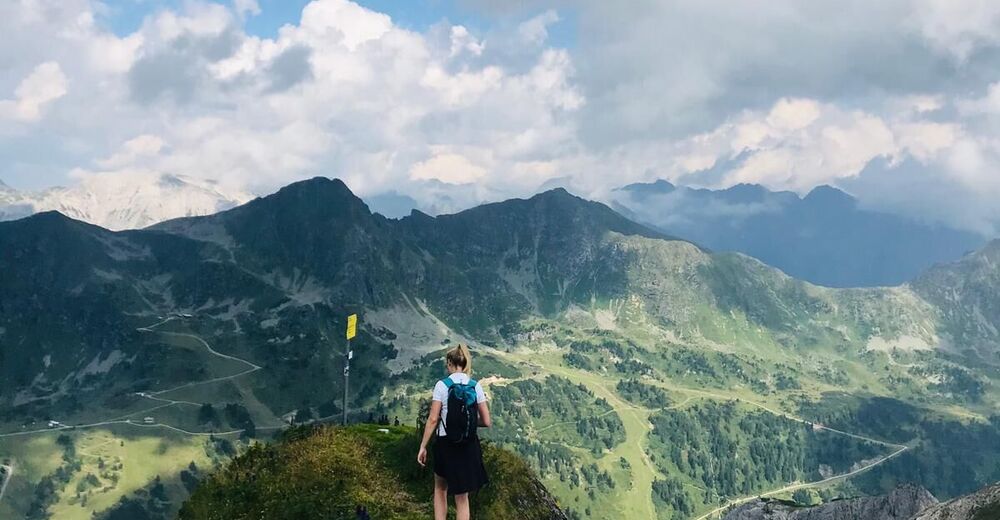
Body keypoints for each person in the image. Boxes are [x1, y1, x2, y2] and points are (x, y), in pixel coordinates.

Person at [417, 344, 492, 520]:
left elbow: (433, 419)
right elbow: (487, 421)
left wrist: (423, 446)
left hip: (445, 443)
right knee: (462, 497)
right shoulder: (475, 386)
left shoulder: (442, 386)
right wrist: (468, 424)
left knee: (440, 487)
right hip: (468, 445)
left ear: (450, 363)